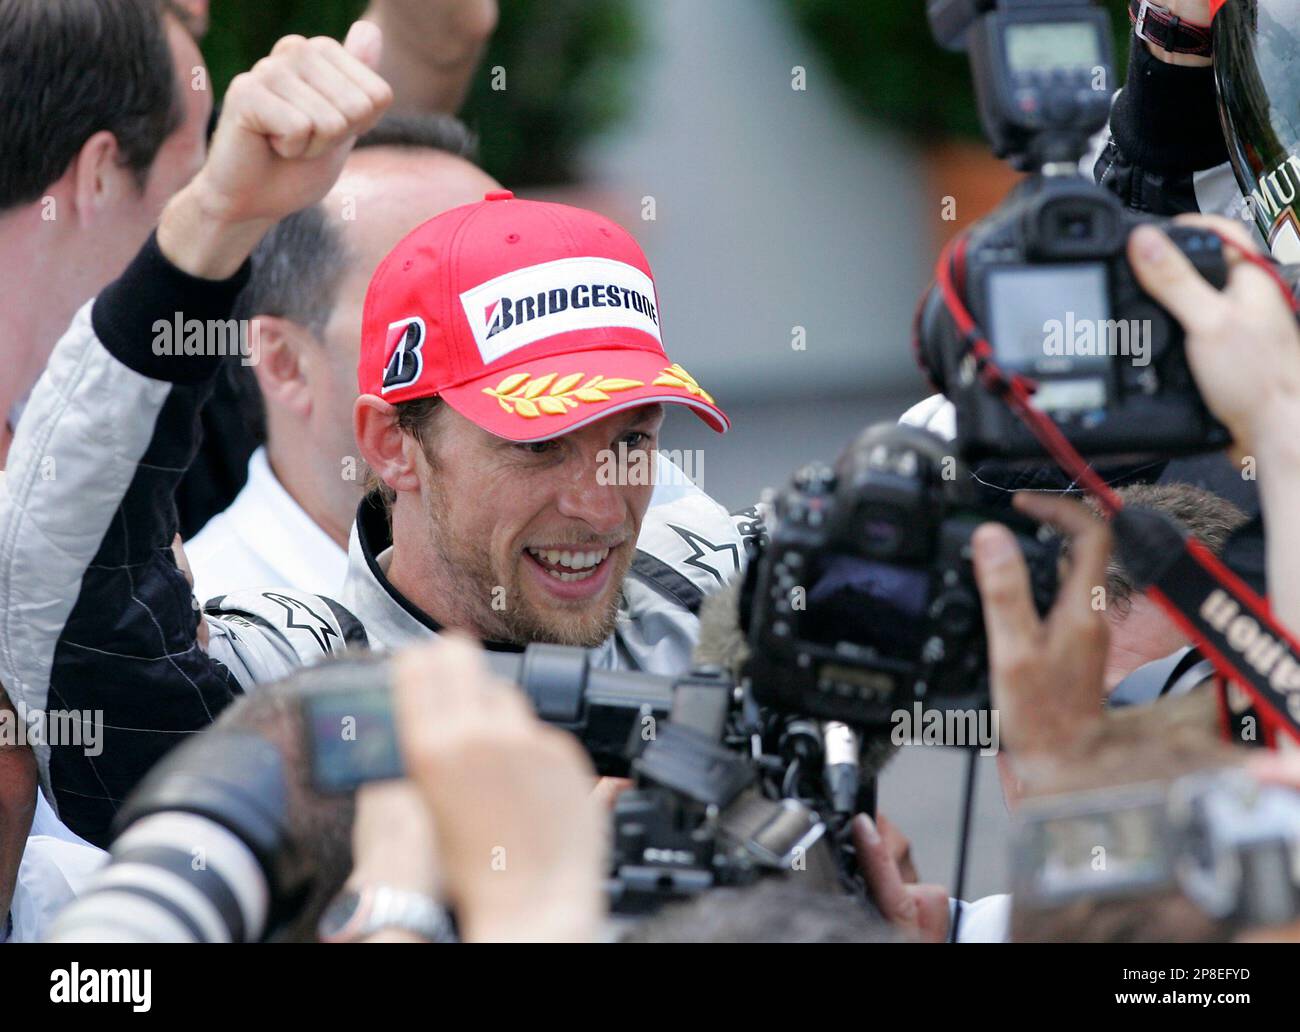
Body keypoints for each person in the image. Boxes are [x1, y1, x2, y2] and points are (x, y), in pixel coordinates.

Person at [0, 21, 748, 847]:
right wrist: (212, 221)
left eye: (632, 442)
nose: (601, 504)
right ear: (391, 444)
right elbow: (60, 609)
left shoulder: (701, 587)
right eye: (539, 444)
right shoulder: (302, 690)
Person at [184, 114, 498, 601]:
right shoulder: (200, 639)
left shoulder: (623, 562)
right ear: (285, 362)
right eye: (437, 304)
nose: (515, 345)